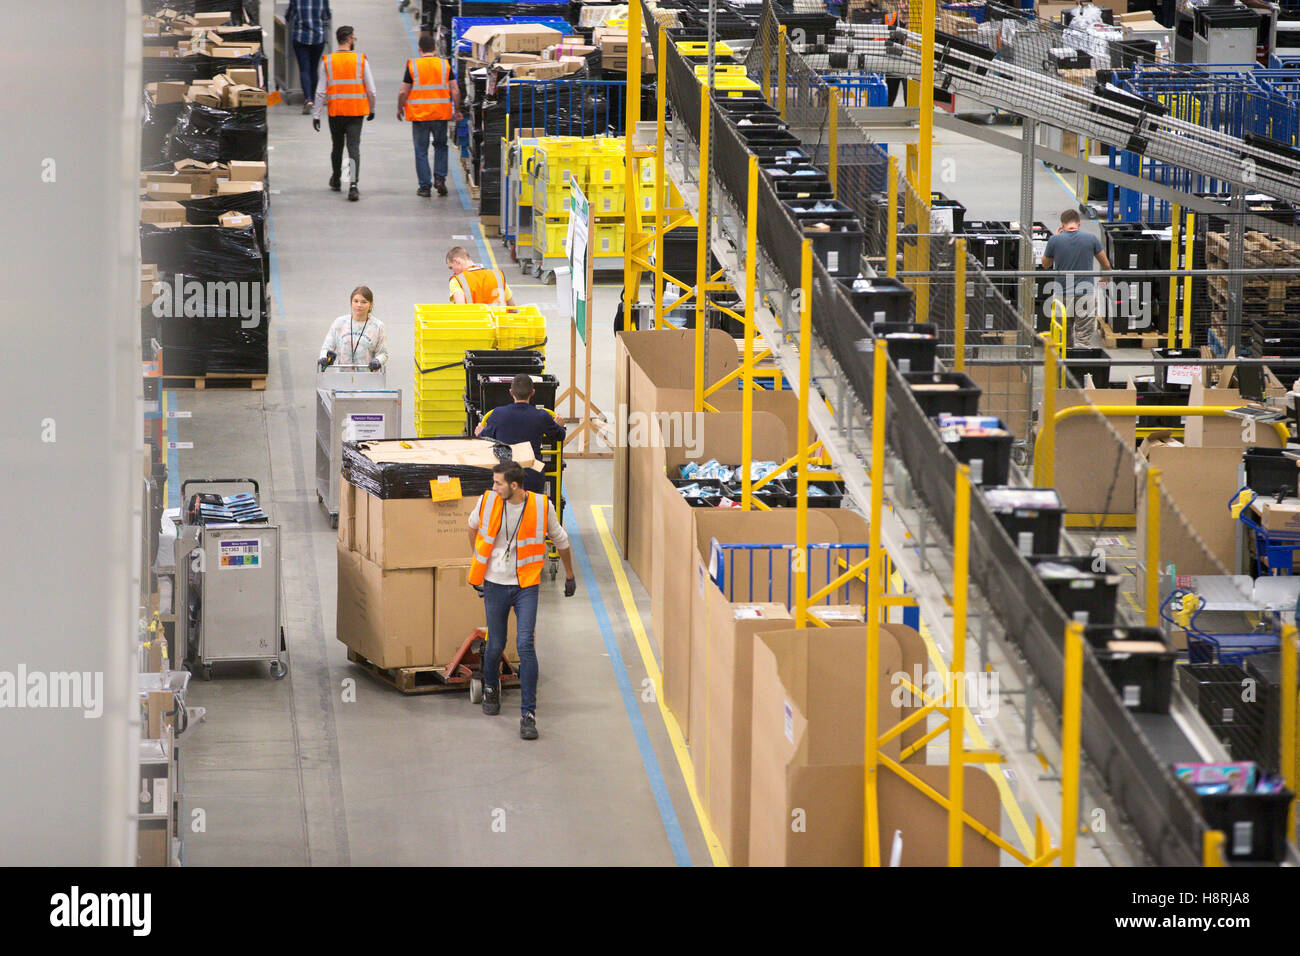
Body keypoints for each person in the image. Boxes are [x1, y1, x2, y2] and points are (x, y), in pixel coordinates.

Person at [467, 463, 577, 740]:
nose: (494, 487)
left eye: (498, 483)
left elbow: (561, 540)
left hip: (526, 584)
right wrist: (481, 564)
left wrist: (570, 575)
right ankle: (490, 685)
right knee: (496, 644)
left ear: (514, 486)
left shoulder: (541, 506)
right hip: (494, 584)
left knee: (525, 644)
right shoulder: (487, 501)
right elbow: (472, 529)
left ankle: (528, 713)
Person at [312, 25, 377, 202]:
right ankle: (353, 184)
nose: (355, 40)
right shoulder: (361, 60)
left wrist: (316, 114)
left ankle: (336, 179)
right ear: (348, 39)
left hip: (336, 111)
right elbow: (371, 89)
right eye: (354, 37)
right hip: (356, 112)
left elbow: (320, 91)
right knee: (353, 147)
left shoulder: (328, 61)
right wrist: (371, 109)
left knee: (337, 146)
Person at [475, 374, 567, 494]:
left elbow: (484, 440)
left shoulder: (497, 414)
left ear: (511, 392)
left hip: (506, 477)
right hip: (532, 477)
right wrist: (559, 425)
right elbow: (560, 436)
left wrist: (479, 432)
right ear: (533, 392)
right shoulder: (542, 416)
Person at [398, 35, 461, 198]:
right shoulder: (444, 65)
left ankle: (425, 187)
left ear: (419, 49)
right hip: (440, 114)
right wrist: (458, 111)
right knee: (441, 146)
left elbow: (403, 91)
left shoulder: (413, 66)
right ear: (435, 48)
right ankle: (440, 179)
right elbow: (455, 90)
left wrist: (400, 108)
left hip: (419, 116)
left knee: (421, 150)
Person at [1041, 209, 1112, 348]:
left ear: (1062, 224)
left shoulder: (1055, 240)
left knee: (1063, 339)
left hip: (1062, 296)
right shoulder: (1091, 239)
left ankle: (1063, 367)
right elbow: (1106, 264)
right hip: (1085, 295)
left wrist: (1055, 239)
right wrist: (1104, 278)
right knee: (1083, 339)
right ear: (1079, 223)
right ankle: (1079, 366)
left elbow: (1045, 264)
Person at [318, 286, 389, 371]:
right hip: (341, 379)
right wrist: (324, 357)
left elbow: (383, 354)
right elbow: (326, 348)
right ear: (351, 303)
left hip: (368, 379)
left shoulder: (378, 326)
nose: (359, 305)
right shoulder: (339, 323)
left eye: (364, 302)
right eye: (356, 301)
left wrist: (377, 361)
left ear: (370, 304)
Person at [286, 0, 331, 115]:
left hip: (301, 37)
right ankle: (314, 100)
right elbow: (327, 15)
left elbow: (289, 15)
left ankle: (308, 99)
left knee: (304, 69)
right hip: (318, 37)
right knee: (313, 69)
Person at [446, 246, 515, 305]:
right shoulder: (497, 276)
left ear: (457, 261)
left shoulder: (457, 281)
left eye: (451, 267)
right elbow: (513, 309)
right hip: (498, 320)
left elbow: (461, 309)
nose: (453, 272)